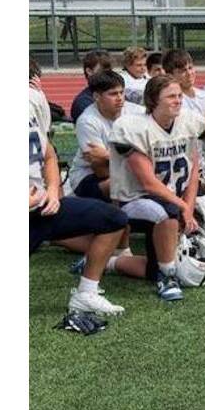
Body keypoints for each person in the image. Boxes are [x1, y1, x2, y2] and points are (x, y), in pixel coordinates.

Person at [30, 78, 129, 317]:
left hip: (41, 209)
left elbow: (50, 155)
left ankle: (86, 294)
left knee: (113, 219)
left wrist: (53, 190)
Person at [108, 75, 205, 301]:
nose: (178, 101)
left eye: (179, 96)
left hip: (171, 198)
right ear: (153, 100)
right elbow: (147, 182)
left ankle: (107, 263)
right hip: (135, 199)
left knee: (153, 267)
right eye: (171, 96)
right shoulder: (133, 128)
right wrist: (182, 205)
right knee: (168, 214)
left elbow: (194, 172)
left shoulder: (188, 122)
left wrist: (189, 207)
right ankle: (168, 276)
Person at [68, 70, 146, 201]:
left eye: (121, 92)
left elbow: (151, 151)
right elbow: (100, 168)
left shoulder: (138, 113)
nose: (120, 98)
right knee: (123, 184)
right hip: (88, 176)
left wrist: (107, 155)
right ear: (97, 97)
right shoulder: (87, 121)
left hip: (127, 169)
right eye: (113, 94)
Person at [70, 50, 113, 122]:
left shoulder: (118, 94)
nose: (108, 74)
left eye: (110, 70)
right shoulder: (83, 102)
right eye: (103, 70)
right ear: (89, 71)